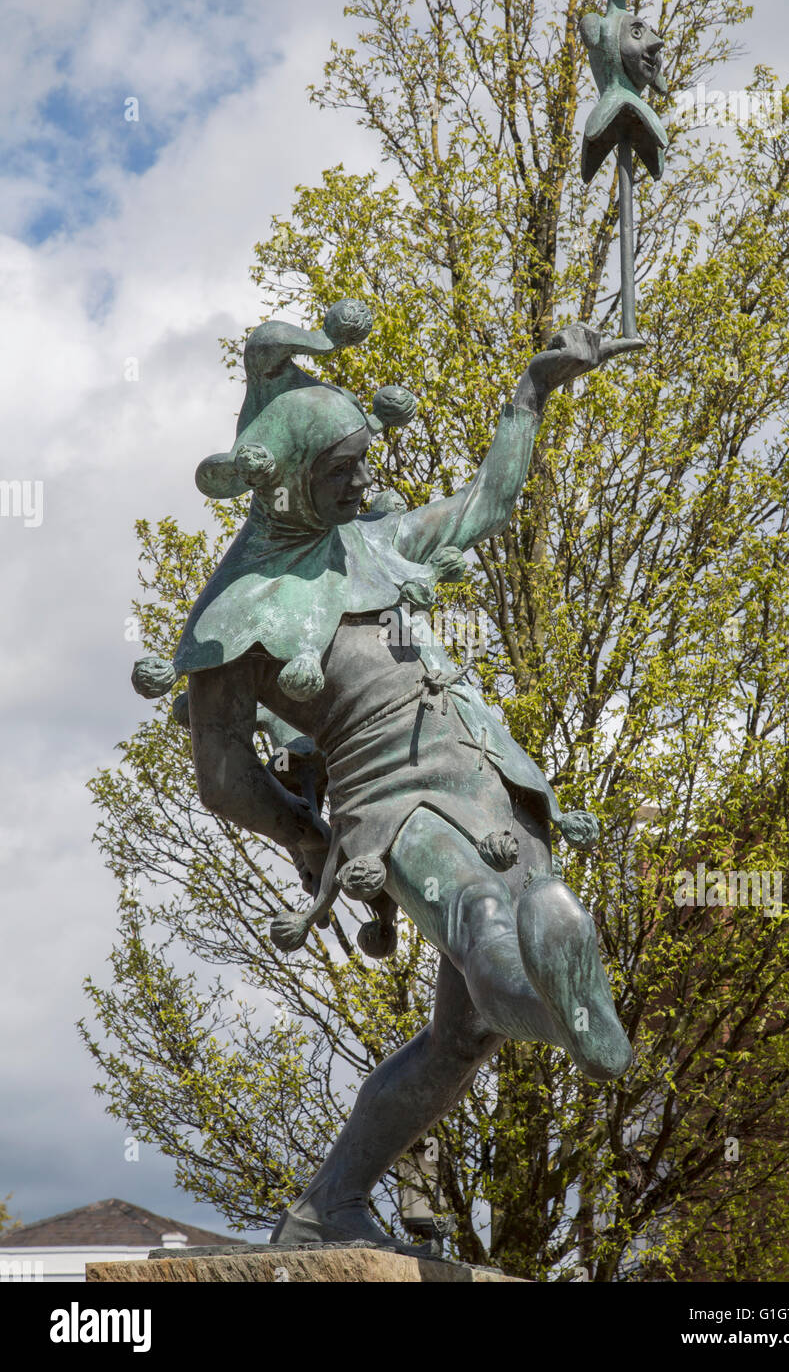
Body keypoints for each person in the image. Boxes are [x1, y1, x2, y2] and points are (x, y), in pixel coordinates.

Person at [132, 314, 643, 1250]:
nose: (364, 485)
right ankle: (569, 1015)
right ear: (287, 478)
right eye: (342, 472)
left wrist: (533, 391)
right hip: (395, 807)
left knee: (464, 1036)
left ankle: (325, 1206)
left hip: (492, 779)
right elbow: (223, 774)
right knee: (484, 927)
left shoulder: (370, 542)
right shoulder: (234, 617)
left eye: (364, 463)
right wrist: (308, 834)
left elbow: (488, 501)